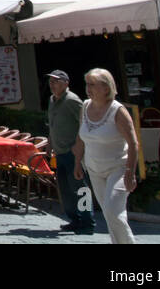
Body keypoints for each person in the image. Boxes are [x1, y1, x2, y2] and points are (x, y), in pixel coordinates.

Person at [74, 68, 140, 244]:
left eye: (93, 84)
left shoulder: (117, 111)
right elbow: (81, 137)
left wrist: (130, 173)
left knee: (113, 212)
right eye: (87, 84)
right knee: (108, 214)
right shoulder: (85, 107)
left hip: (118, 168)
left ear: (106, 87)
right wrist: (77, 162)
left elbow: (133, 143)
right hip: (94, 169)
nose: (88, 88)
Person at [46, 70, 94, 234]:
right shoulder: (52, 100)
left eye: (56, 81)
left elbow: (85, 123)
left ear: (66, 83)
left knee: (80, 188)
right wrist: (50, 143)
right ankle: (75, 219)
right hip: (59, 152)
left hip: (73, 152)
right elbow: (52, 125)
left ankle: (87, 222)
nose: (53, 85)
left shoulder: (72, 101)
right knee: (65, 190)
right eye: (51, 82)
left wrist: (79, 146)